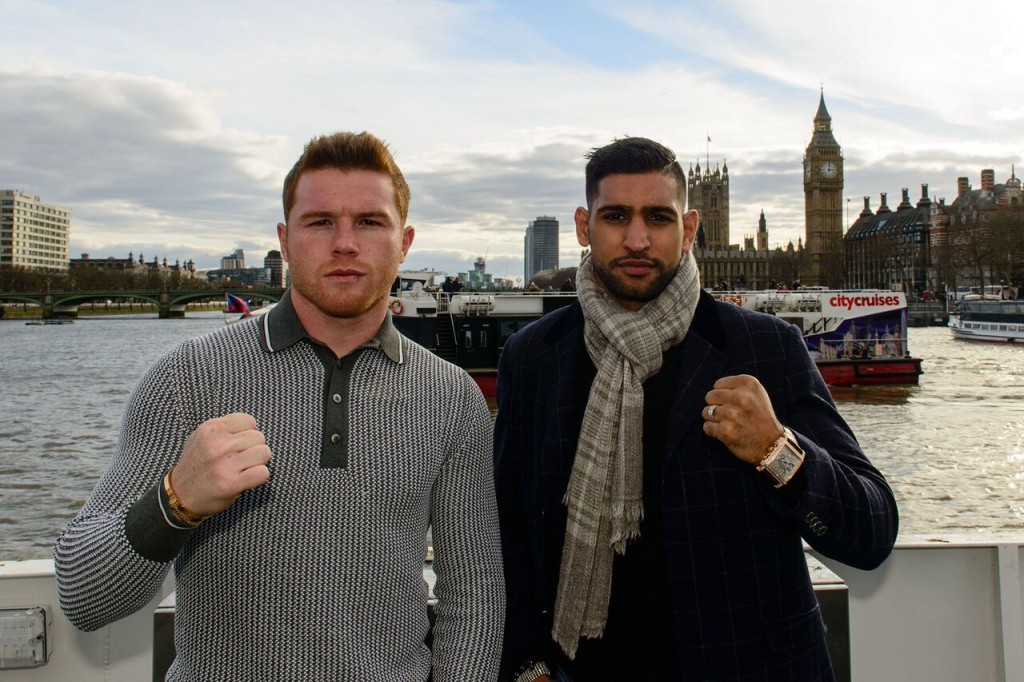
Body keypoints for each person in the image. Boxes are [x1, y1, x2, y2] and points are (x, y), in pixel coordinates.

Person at [55, 131, 505, 681]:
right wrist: (175, 501)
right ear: (285, 240)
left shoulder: (451, 395)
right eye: (319, 222)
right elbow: (83, 596)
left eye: (369, 221)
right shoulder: (188, 376)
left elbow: (475, 595)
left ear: (404, 241)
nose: (344, 243)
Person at [494, 136, 898, 681]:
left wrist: (779, 451)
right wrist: (527, 663)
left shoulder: (764, 348)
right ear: (584, 227)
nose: (637, 239)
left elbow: (871, 531)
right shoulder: (534, 357)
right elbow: (506, 535)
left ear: (688, 230)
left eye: (657, 218)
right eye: (616, 216)